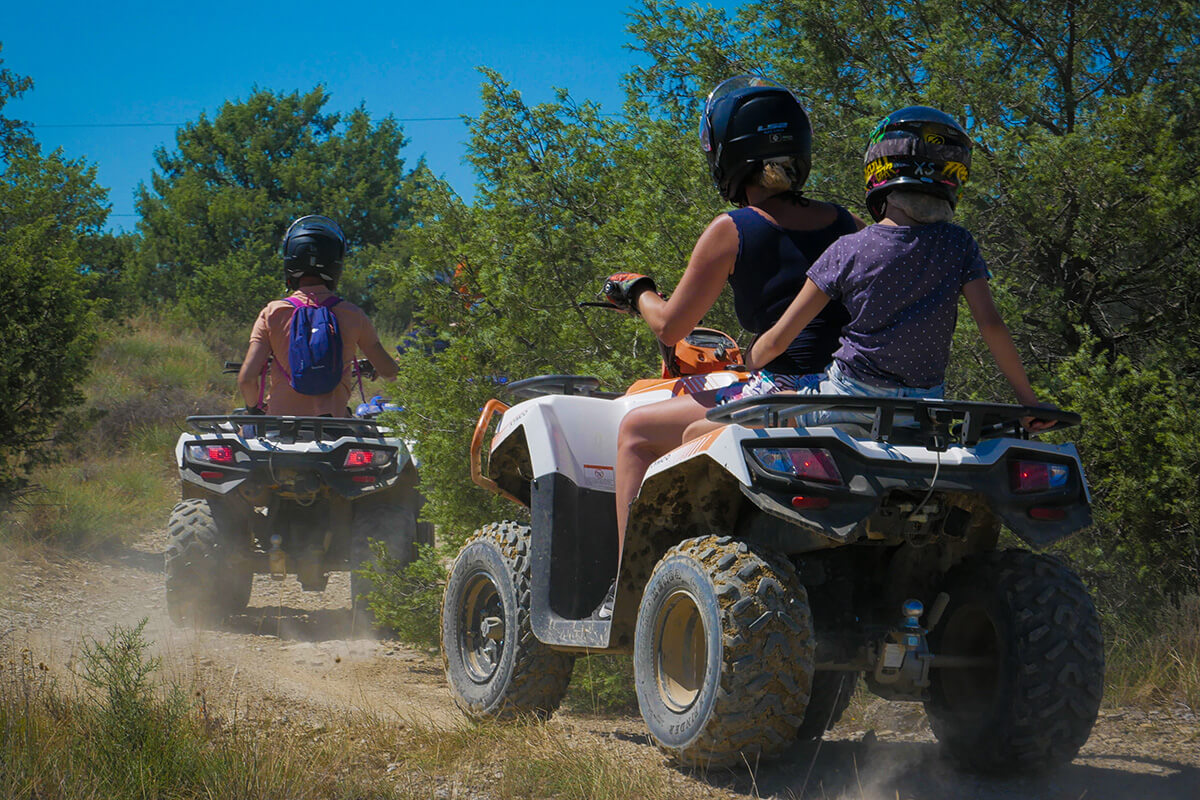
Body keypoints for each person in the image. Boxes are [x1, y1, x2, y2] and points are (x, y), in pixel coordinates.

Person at [594, 76, 866, 618]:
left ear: (727, 152)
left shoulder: (733, 228)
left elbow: (671, 327)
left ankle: (627, 592)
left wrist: (638, 291)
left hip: (780, 388)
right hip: (847, 391)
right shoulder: (845, 222)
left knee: (634, 432)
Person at [739, 106, 1053, 431]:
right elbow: (991, 325)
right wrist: (1028, 400)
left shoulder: (849, 248)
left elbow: (779, 341)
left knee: (753, 416)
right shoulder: (959, 245)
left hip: (849, 399)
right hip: (923, 410)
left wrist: (749, 360)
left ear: (879, 168)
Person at [237, 215, 398, 417]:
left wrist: (253, 410)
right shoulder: (353, 315)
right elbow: (390, 372)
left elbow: (247, 378)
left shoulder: (272, 313)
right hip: (334, 427)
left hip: (281, 426)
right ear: (336, 264)